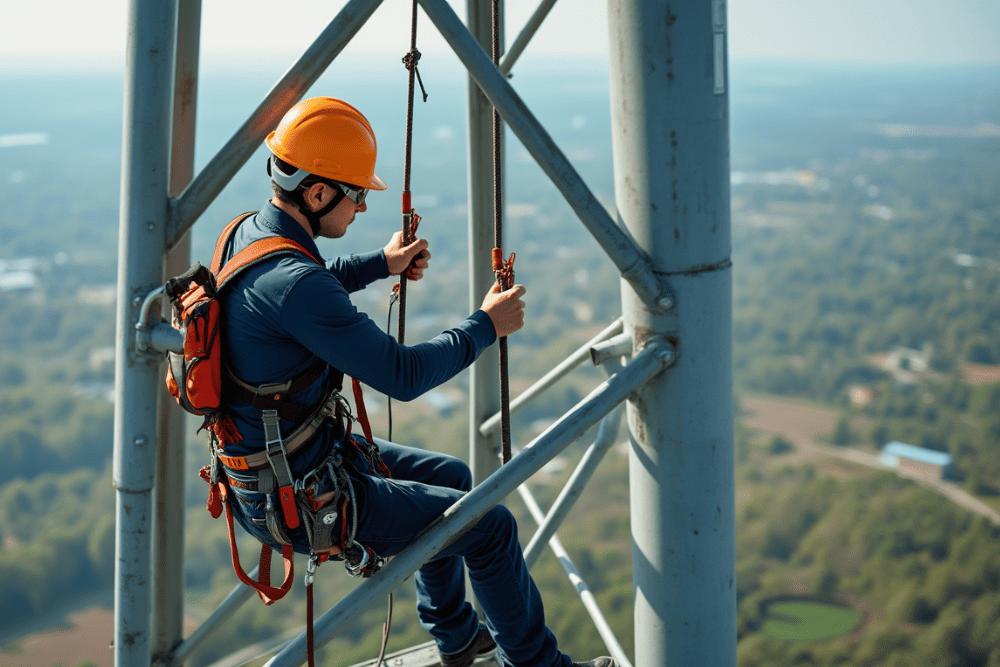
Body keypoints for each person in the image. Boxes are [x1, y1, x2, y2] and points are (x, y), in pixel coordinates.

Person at [216, 96, 616, 667]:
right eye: (355, 194)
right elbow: (402, 375)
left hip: (280, 470)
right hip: (301, 494)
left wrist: (381, 263)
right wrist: (486, 326)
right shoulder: (295, 283)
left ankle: (456, 638)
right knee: (491, 526)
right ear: (318, 193)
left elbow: (308, 283)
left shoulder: (248, 235)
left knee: (454, 477)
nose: (361, 206)